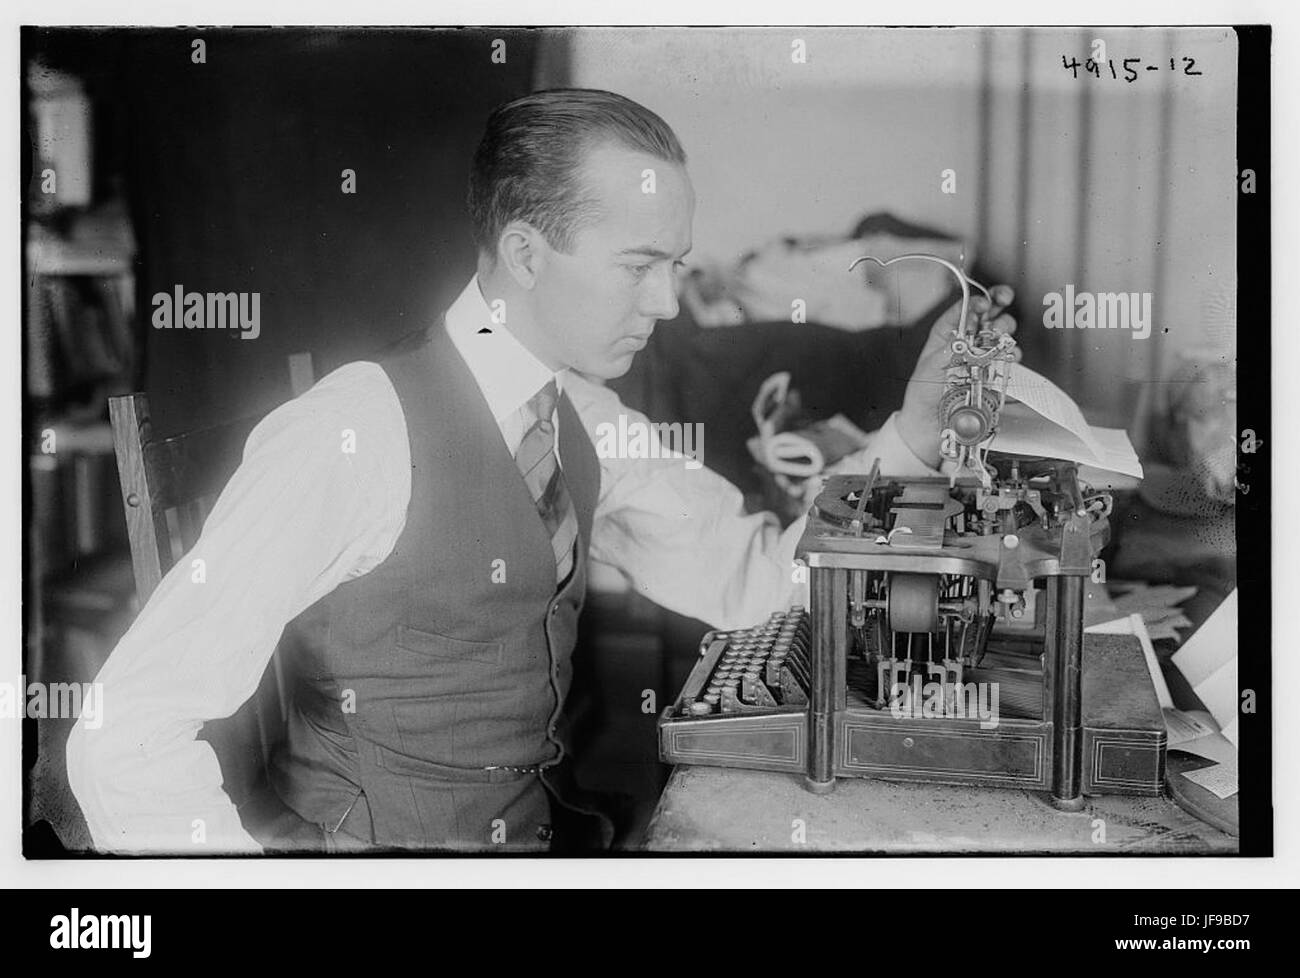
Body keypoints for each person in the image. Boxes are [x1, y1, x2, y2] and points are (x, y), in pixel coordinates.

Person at [67, 88, 1016, 853]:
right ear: (525, 251)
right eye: (640, 265)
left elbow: (758, 578)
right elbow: (123, 733)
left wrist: (913, 429)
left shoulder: (581, 416)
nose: (671, 303)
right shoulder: (352, 432)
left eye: (676, 266)